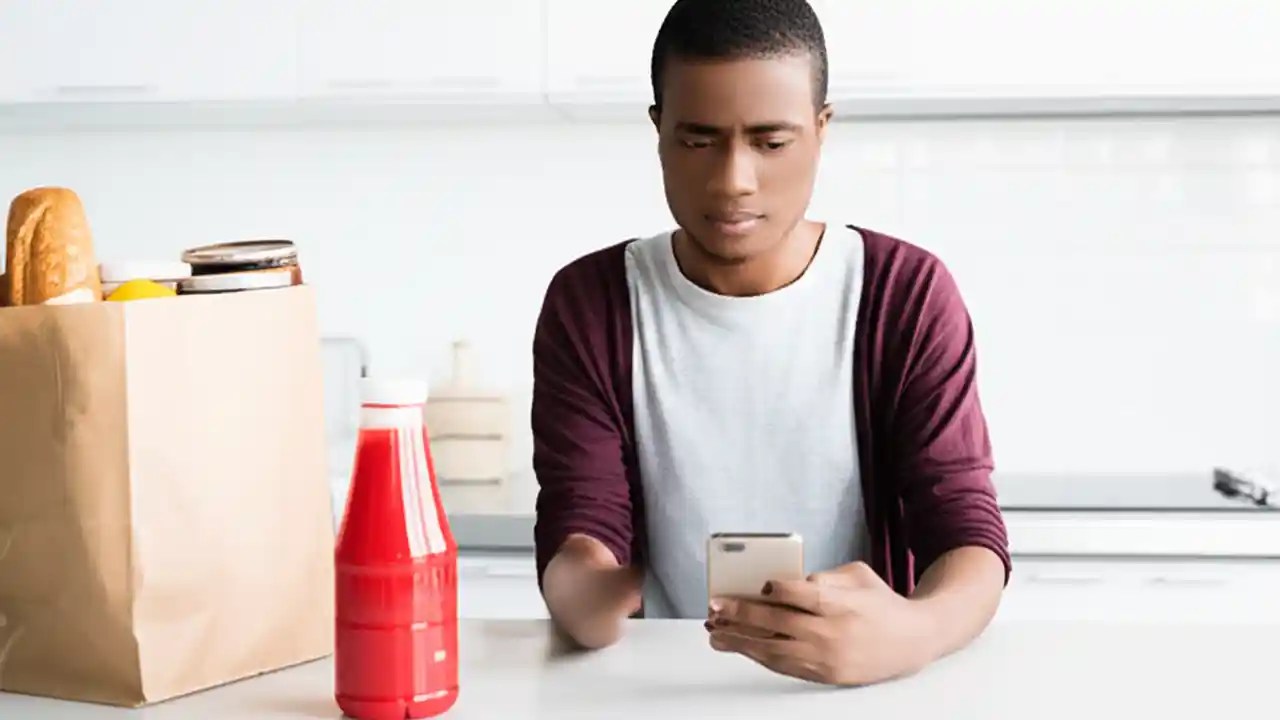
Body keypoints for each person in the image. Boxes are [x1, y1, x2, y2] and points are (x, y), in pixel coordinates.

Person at [531, 0, 1010, 687]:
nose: (733, 180)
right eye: (698, 139)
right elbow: (579, 529)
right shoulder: (592, 303)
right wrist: (591, 595)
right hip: (658, 689)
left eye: (771, 141)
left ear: (821, 130)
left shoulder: (905, 294)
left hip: (859, 686)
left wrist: (916, 631)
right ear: (658, 129)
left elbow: (965, 529)